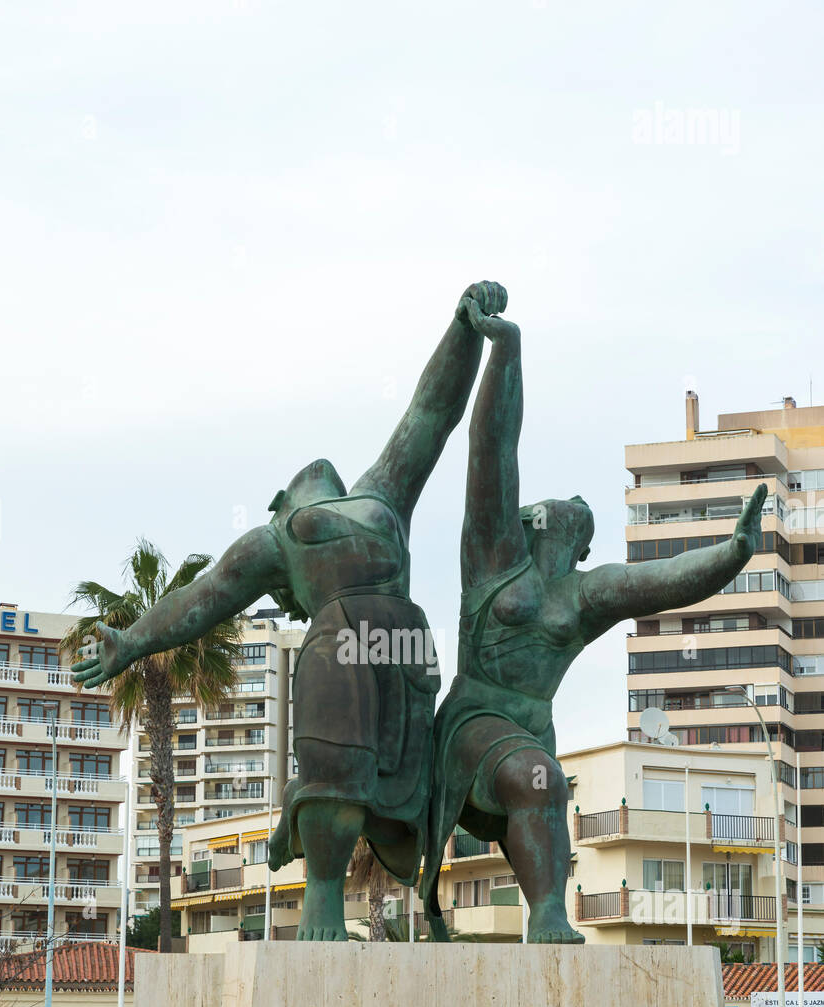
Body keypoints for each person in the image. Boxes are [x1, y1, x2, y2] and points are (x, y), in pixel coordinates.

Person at [72, 280, 507, 940]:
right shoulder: (275, 540)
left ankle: (419, 889)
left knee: (407, 765)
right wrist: (133, 640)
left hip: (401, 640)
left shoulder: (382, 493)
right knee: (335, 765)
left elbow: (432, 413)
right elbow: (205, 596)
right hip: (341, 636)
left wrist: (463, 325)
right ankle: (324, 905)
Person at [421, 298, 767, 943]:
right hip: (473, 716)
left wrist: (733, 552)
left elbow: (664, 583)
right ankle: (547, 910)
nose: (570, 502)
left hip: (529, 720)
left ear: (582, 544)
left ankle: (548, 911)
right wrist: (508, 350)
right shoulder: (495, 556)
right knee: (540, 777)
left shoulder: (587, 592)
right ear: (532, 518)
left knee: (541, 778)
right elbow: (492, 447)